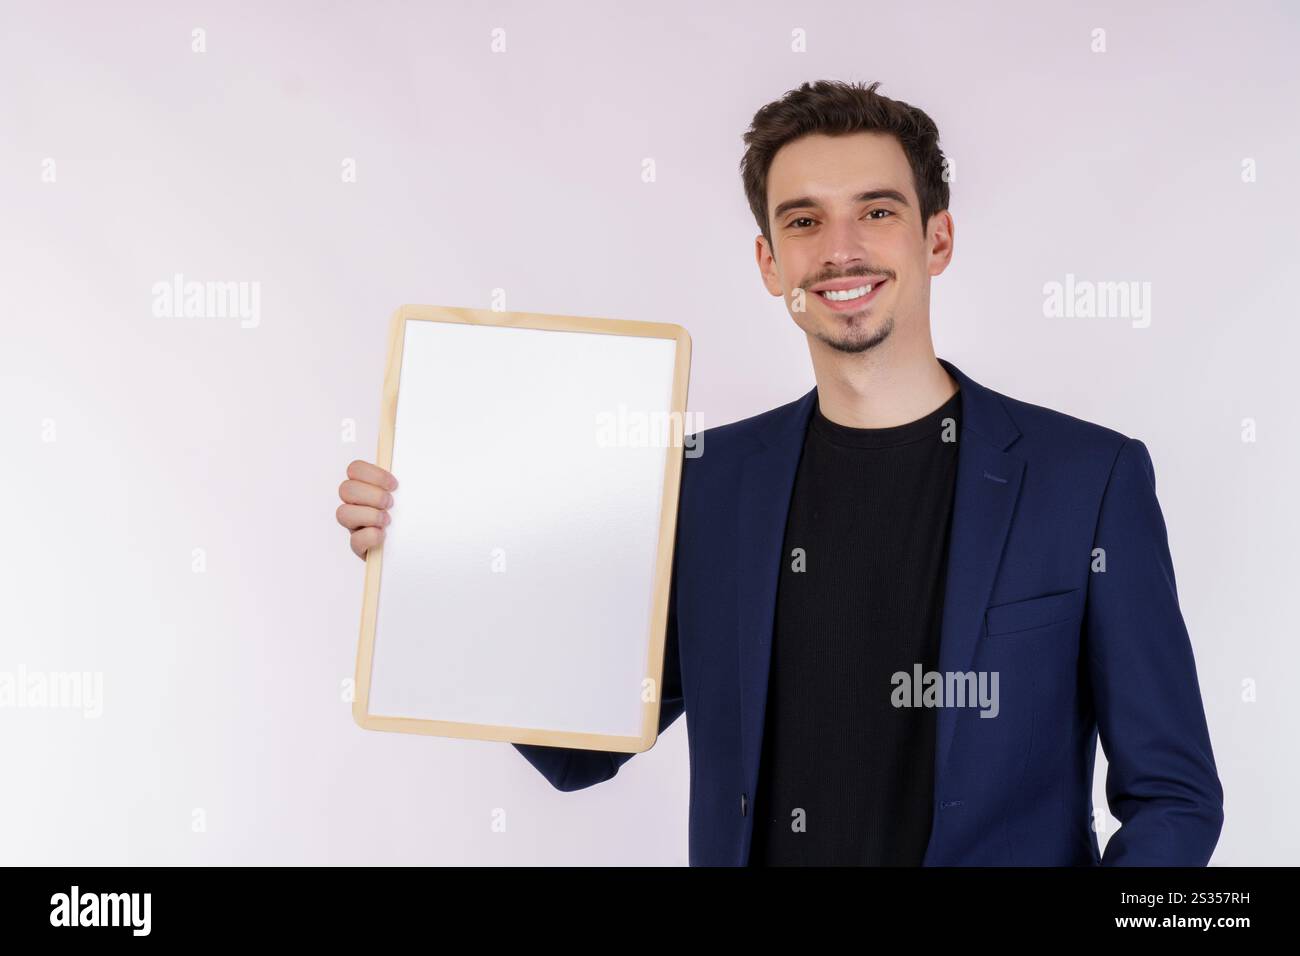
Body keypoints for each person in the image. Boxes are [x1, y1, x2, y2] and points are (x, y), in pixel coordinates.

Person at [335, 80, 1223, 866]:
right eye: (803, 220)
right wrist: (428, 563)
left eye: (876, 211)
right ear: (770, 262)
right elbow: (583, 748)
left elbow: (1175, 800)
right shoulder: (707, 486)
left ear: (937, 239)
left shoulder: (1088, 480)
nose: (841, 250)